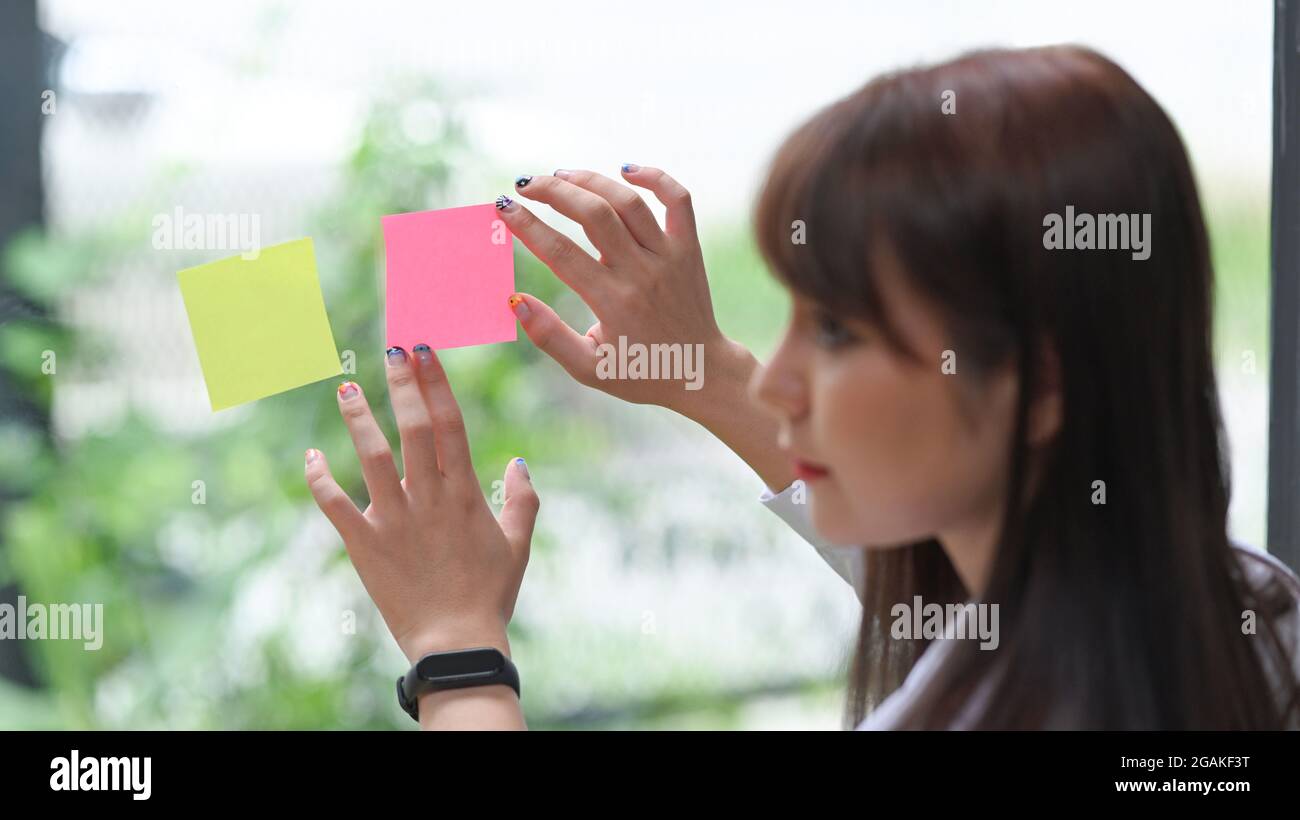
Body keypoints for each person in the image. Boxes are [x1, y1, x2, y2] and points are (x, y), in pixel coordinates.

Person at [304, 45, 1300, 730]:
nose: (777, 379)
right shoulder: (1250, 614)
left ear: (1036, 384)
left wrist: (456, 650)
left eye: (833, 327)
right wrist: (700, 372)